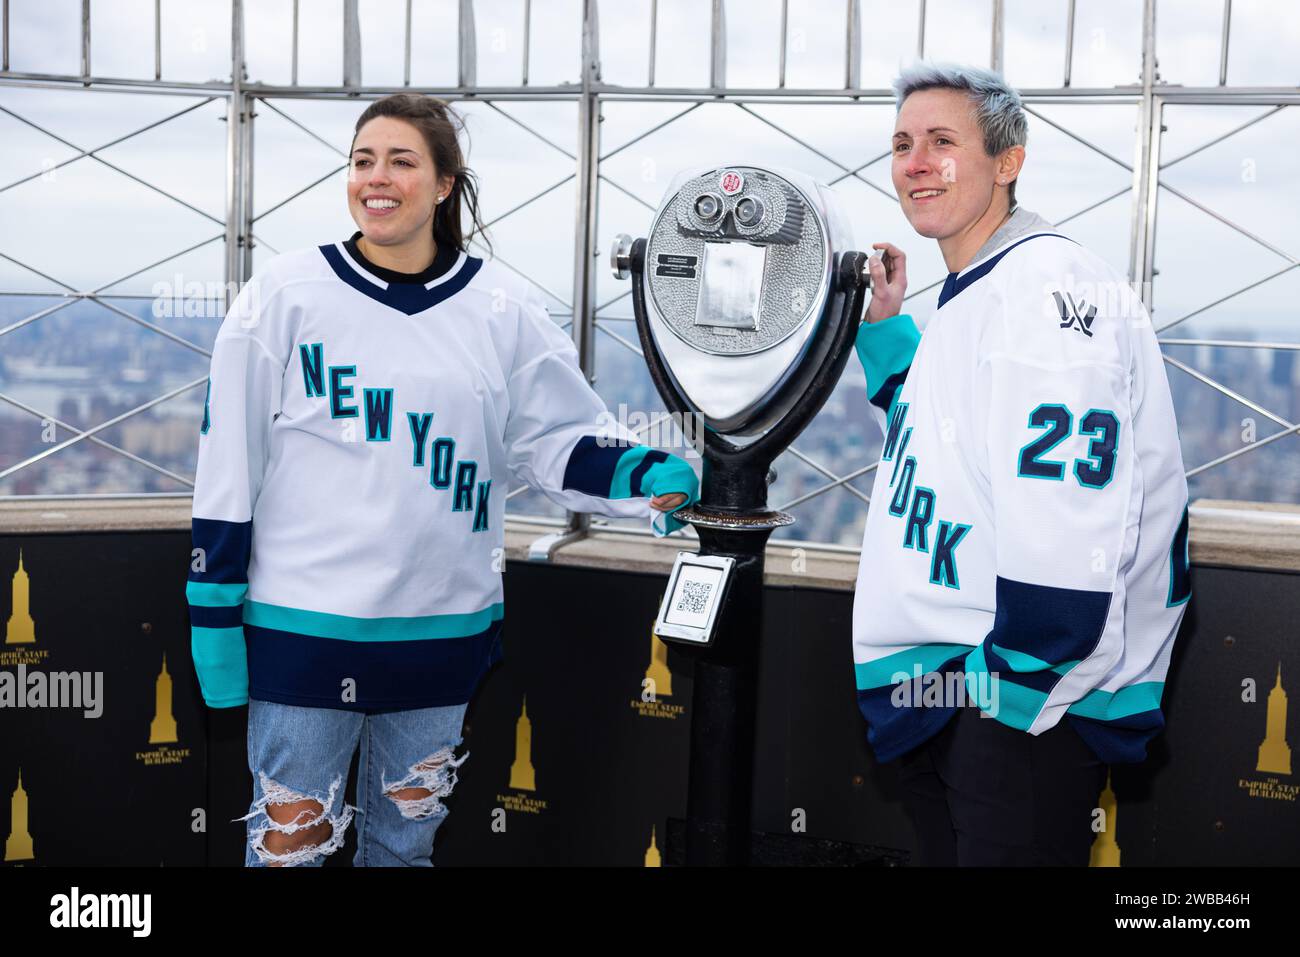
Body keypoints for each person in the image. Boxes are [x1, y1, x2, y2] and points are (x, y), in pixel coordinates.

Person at [185, 93, 699, 867]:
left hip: (440, 634)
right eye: (363, 161)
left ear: (445, 184)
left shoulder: (503, 308)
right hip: (302, 636)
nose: (376, 178)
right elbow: (227, 469)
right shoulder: (282, 296)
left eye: (401, 161)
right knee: (289, 853)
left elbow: (560, 437)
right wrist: (214, 620)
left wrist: (645, 471)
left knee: (403, 850)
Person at [850, 62, 1191, 866]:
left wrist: (1007, 692)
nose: (916, 162)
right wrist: (888, 330)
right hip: (970, 694)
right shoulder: (983, 287)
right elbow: (943, 436)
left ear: (1008, 160)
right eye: (902, 144)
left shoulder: (1043, 288)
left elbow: (1069, 510)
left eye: (942, 141)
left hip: (1019, 709)